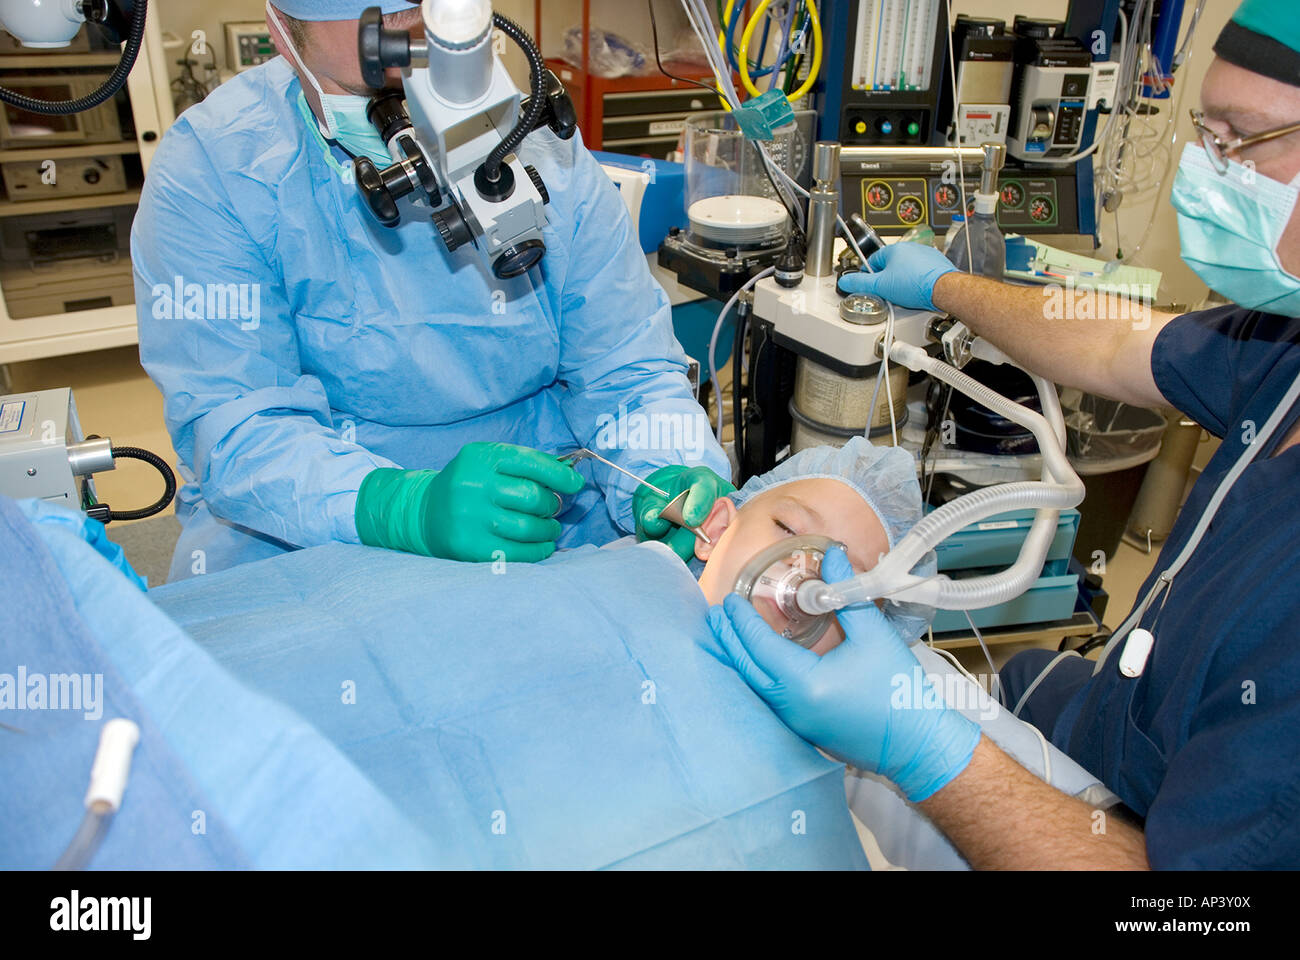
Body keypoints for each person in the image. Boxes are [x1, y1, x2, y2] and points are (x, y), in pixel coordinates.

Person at [711, 0, 1300, 869]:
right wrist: (947, 287)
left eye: (1238, 141)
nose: (1207, 175)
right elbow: (1113, 339)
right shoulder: (1279, 351)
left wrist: (923, 751)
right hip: (1116, 731)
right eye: (1202, 133)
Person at [131, 0, 732, 583]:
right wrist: (402, 508)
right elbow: (239, 424)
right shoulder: (216, 170)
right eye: (381, 46)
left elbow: (626, 370)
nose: (409, 47)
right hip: (309, 528)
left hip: (548, 511)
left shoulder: (536, 139)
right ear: (285, 23)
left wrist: (668, 469)